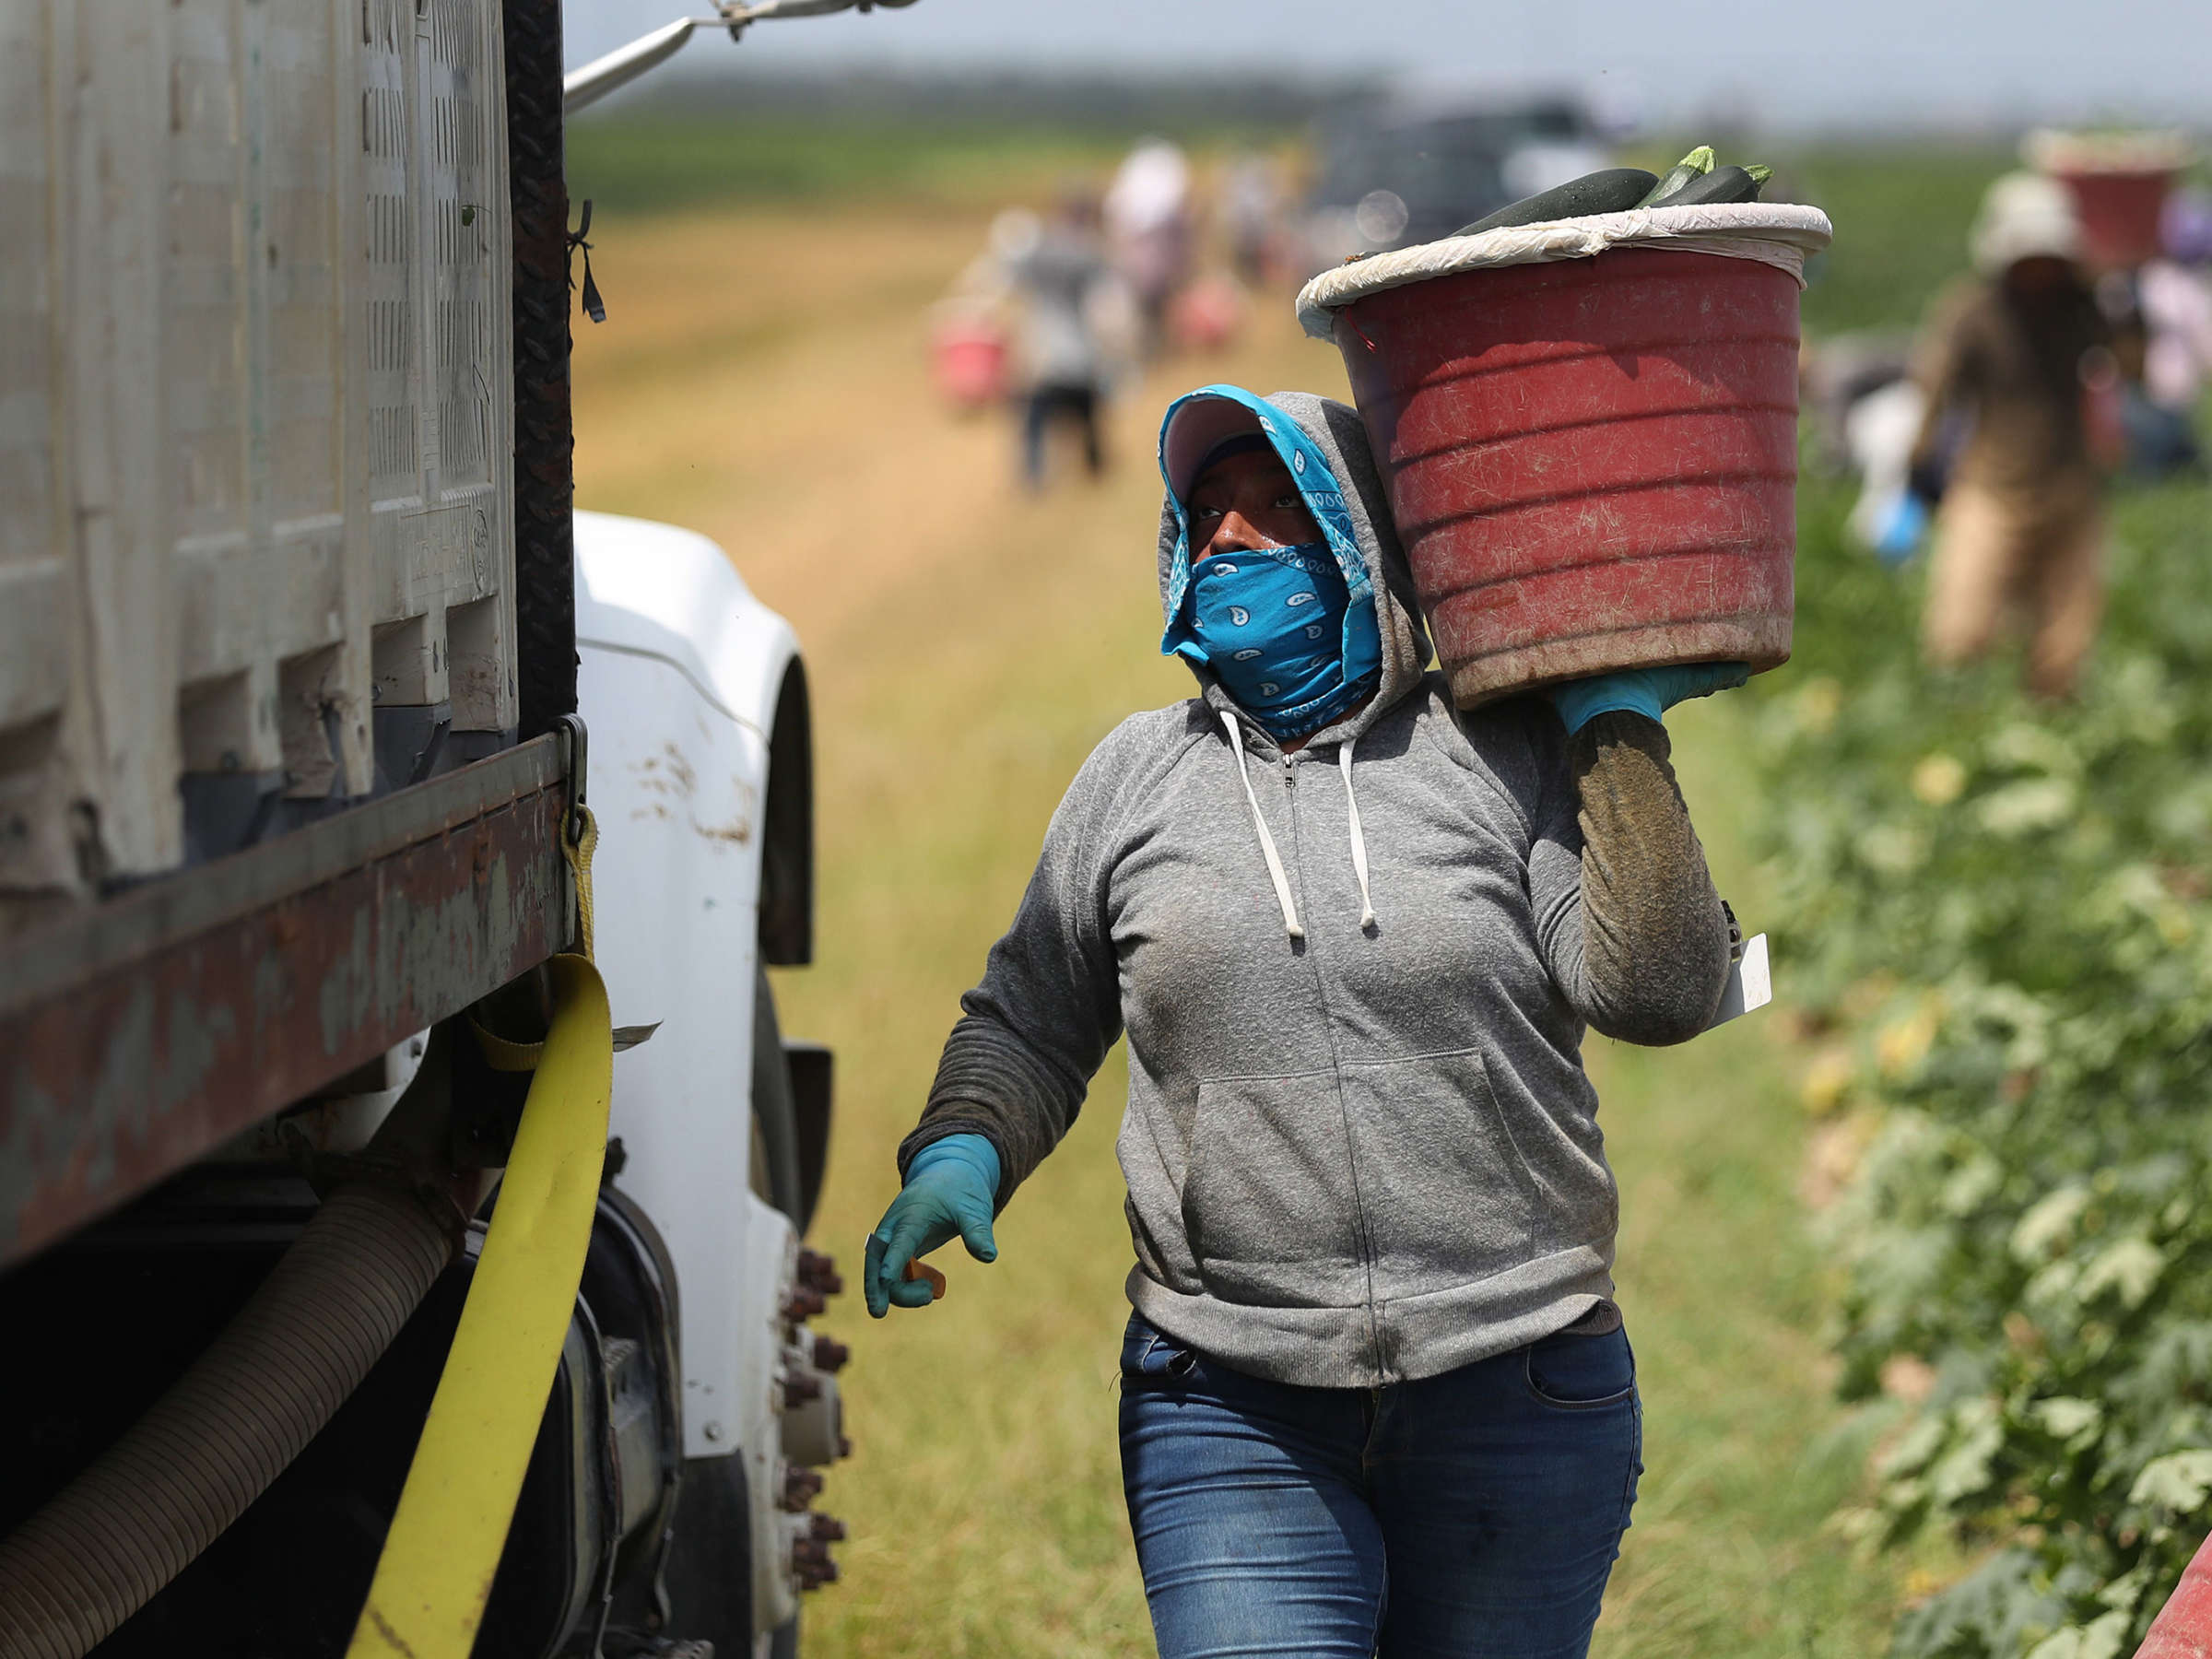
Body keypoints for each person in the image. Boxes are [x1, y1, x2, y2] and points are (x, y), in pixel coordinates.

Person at [864, 383, 1747, 1658]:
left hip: (1520, 1381)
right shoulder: (1135, 779)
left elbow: (1656, 995)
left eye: (1279, 507)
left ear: (1365, 546)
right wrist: (962, 1147)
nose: (1230, 533)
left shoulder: (1494, 750)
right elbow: (1030, 1015)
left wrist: (1619, 726)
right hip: (1231, 1401)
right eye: (1207, 512)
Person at [1909, 172, 2114, 699]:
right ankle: (1956, 734)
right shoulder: (1972, 313)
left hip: (2069, 495)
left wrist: (2128, 303)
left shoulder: (2085, 308)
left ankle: (2048, 737)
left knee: (2063, 649)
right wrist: (1918, 466)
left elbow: (2134, 366)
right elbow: (1936, 391)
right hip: (1990, 492)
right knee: (1959, 635)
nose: (2041, 270)